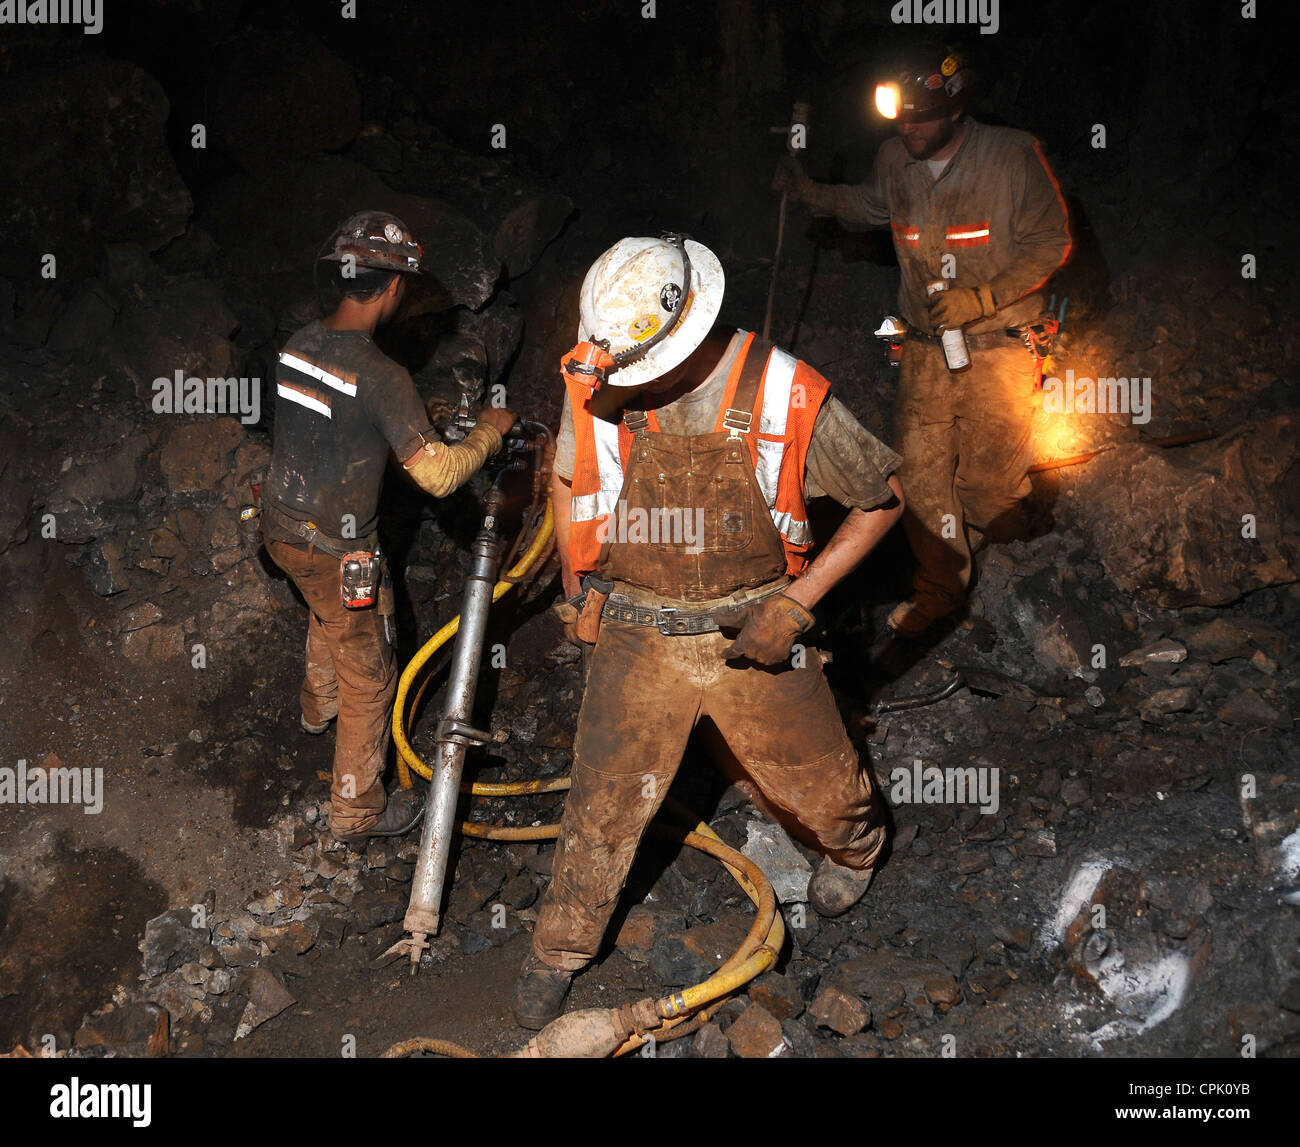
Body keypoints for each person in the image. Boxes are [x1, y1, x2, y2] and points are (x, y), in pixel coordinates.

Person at [512, 233, 904, 1030]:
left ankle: (856, 854)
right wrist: (579, 583)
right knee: (601, 806)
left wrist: (796, 604)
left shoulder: (787, 392)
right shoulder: (601, 368)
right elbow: (567, 476)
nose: (626, 385)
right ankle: (559, 947)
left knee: (825, 787)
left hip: (751, 629)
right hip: (639, 628)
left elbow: (884, 498)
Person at [774, 45, 1072, 638]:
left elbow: (1052, 241)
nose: (909, 128)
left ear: (957, 111)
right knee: (921, 482)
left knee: (991, 486)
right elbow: (867, 204)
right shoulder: (894, 159)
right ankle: (941, 590)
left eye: (923, 117)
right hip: (927, 349)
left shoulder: (1012, 156)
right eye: (900, 117)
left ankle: (999, 563)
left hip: (1000, 345)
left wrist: (983, 298)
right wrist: (809, 192)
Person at [262, 210, 516, 843]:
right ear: (396, 287)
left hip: (280, 526)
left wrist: (407, 422)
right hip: (339, 551)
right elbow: (438, 478)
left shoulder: (297, 344)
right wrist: (492, 430)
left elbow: (332, 421)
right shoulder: (383, 376)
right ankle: (357, 810)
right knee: (371, 675)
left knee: (327, 617)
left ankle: (316, 710)